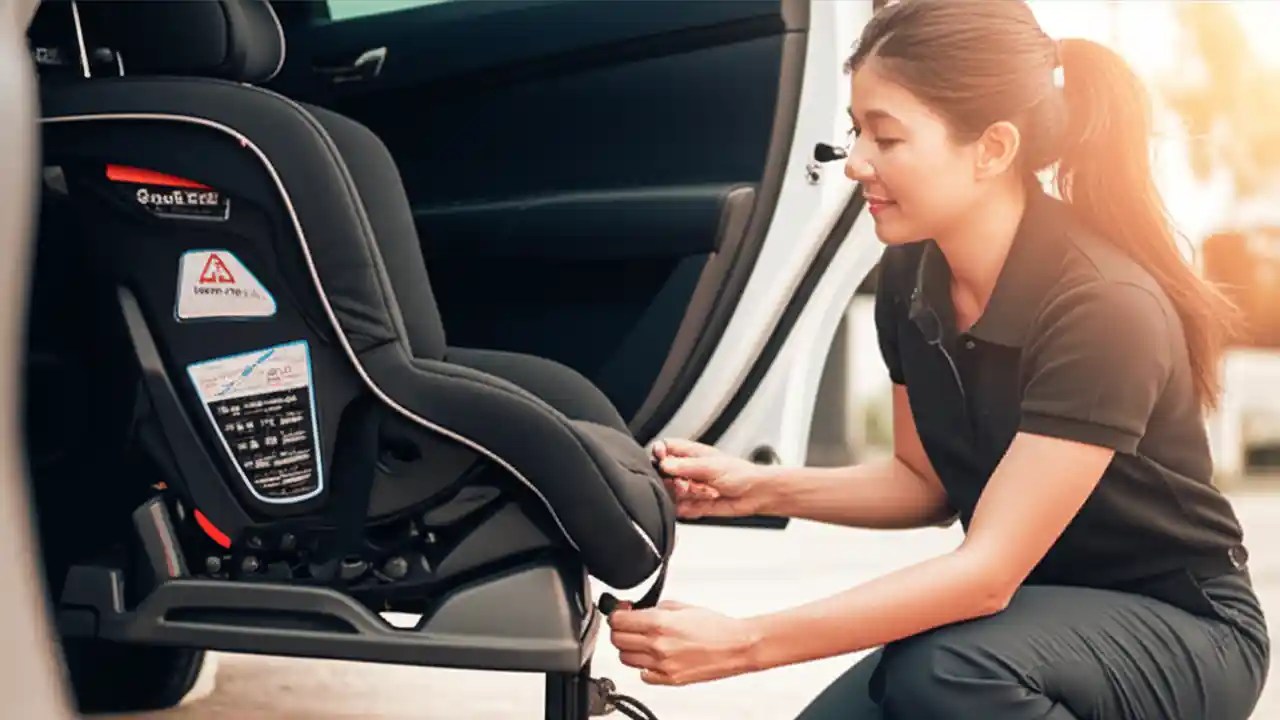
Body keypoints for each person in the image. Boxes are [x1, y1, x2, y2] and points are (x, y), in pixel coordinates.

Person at [604, 1, 1271, 718]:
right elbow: (924, 483)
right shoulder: (911, 274)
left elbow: (985, 575)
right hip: (1028, 619)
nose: (855, 161)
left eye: (886, 137)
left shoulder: (1103, 308)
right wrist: (760, 488)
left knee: (944, 675)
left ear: (992, 149)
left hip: (1182, 628)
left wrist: (744, 643)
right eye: (857, 130)